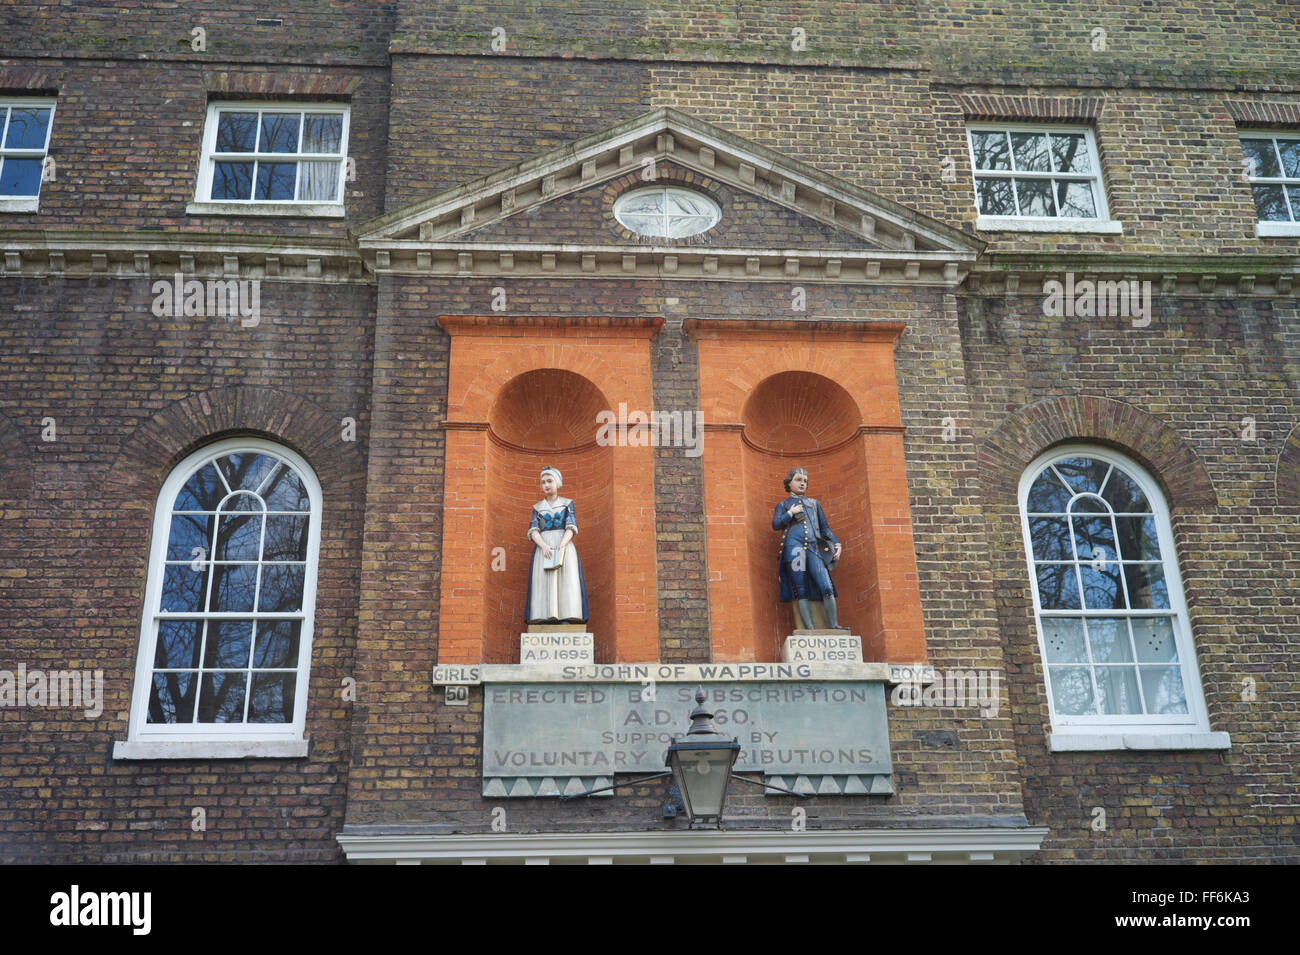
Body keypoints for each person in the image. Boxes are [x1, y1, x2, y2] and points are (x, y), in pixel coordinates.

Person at [772, 467, 847, 630]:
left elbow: (825, 527)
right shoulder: (784, 504)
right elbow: (776, 524)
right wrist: (790, 514)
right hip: (794, 548)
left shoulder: (814, 503)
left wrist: (837, 543)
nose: (802, 484)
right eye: (798, 480)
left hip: (814, 548)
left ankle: (833, 625)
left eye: (805, 481)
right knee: (800, 588)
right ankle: (809, 629)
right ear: (789, 483)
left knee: (826, 586)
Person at [524, 466, 588, 624]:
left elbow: (571, 527)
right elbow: (533, 530)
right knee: (543, 581)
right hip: (544, 548)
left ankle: (566, 615)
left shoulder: (567, 503)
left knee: (566, 580)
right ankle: (544, 616)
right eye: (543, 482)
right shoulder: (537, 507)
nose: (546, 485)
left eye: (549, 481)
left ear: (557, 482)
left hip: (563, 546)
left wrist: (562, 545)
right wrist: (544, 546)